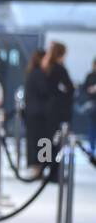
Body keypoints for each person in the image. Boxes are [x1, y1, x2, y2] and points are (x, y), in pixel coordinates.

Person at [25, 41, 74, 177]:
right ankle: (46, 169)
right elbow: (51, 90)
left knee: (43, 141)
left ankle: (42, 167)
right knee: (45, 141)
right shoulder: (42, 72)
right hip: (44, 113)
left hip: (40, 113)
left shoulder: (38, 72)